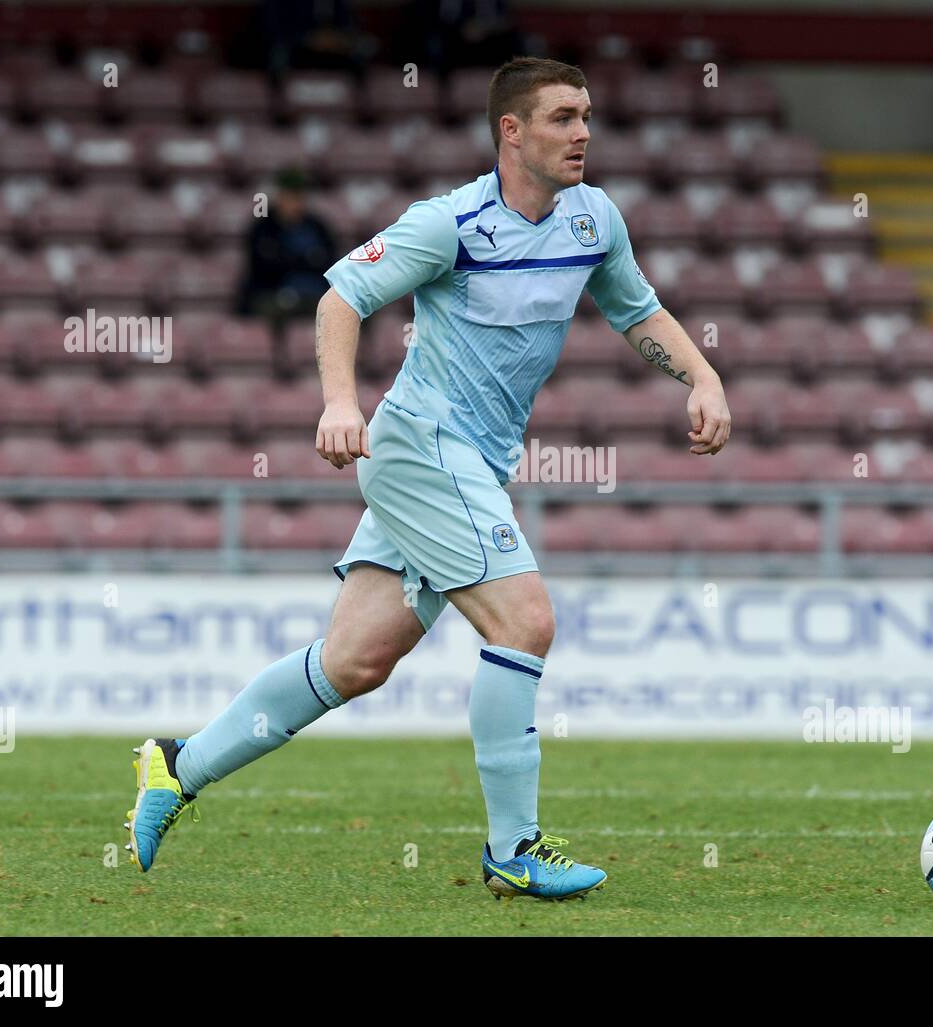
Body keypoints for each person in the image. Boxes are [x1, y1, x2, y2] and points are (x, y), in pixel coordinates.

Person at [123, 57, 732, 902]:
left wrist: (702, 378)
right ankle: (514, 847)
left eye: (587, 115)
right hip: (419, 447)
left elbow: (636, 309)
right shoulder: (451, 223)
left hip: (472, 462)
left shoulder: (594, 221)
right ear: (510, 131)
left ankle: (176, 765)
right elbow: (339, 299)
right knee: (525, 621)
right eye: (562, 117)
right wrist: (341, 404)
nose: (584, 132)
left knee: (354, 660)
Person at [235, 168, 337, 325]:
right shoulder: (263, 227)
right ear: (279, 196)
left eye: (299, 196)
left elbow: (329, 264)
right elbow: (263, 267)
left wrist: (287, 259)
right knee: (272, 311)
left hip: (313, 293)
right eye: (290, 196)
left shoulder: (317, 227)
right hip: (272, 294)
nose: (295, 203)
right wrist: (305, 260)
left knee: (341, 310)